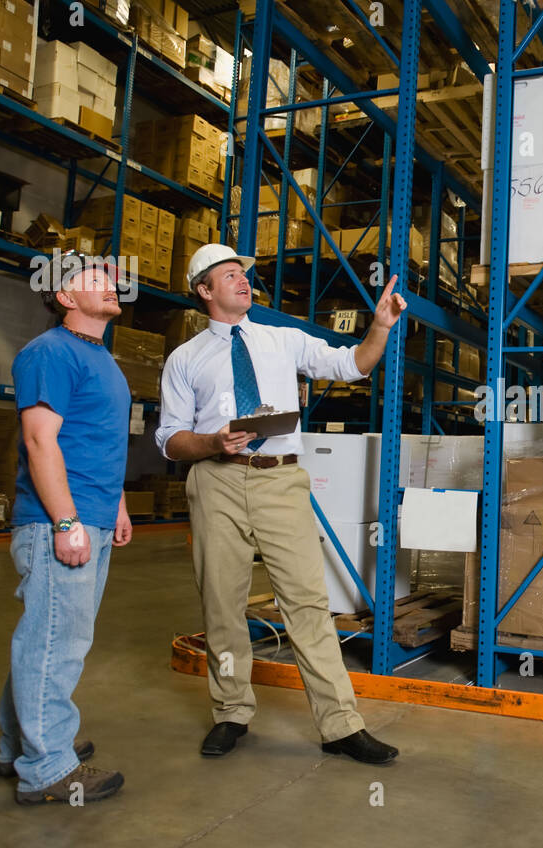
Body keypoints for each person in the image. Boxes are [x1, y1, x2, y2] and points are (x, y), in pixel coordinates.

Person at [156, 243, 406, 764]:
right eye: (229, 275)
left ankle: (340, 725)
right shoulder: (185, 359)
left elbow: (352, 365)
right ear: (205, 291)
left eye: (243, 274)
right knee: (221, 604)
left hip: (281, 481)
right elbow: (170, 438)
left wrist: (380, 326)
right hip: (216, 482)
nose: (243, 281)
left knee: (308, 603)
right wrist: (211, 443)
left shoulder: (282, 340)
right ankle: (230, 713)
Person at [0, 253, 134, 805]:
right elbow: (39, 441)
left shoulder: (102, 358)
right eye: (93, 279)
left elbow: (99, 442)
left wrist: (118, 505)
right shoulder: (49, 351)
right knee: (57, 641)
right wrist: (67, 520)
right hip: (61, 521)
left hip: (94, 517)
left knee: (46, 637)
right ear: (64, 298)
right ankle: (48, 769)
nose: (110, 284)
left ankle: (20, 748)